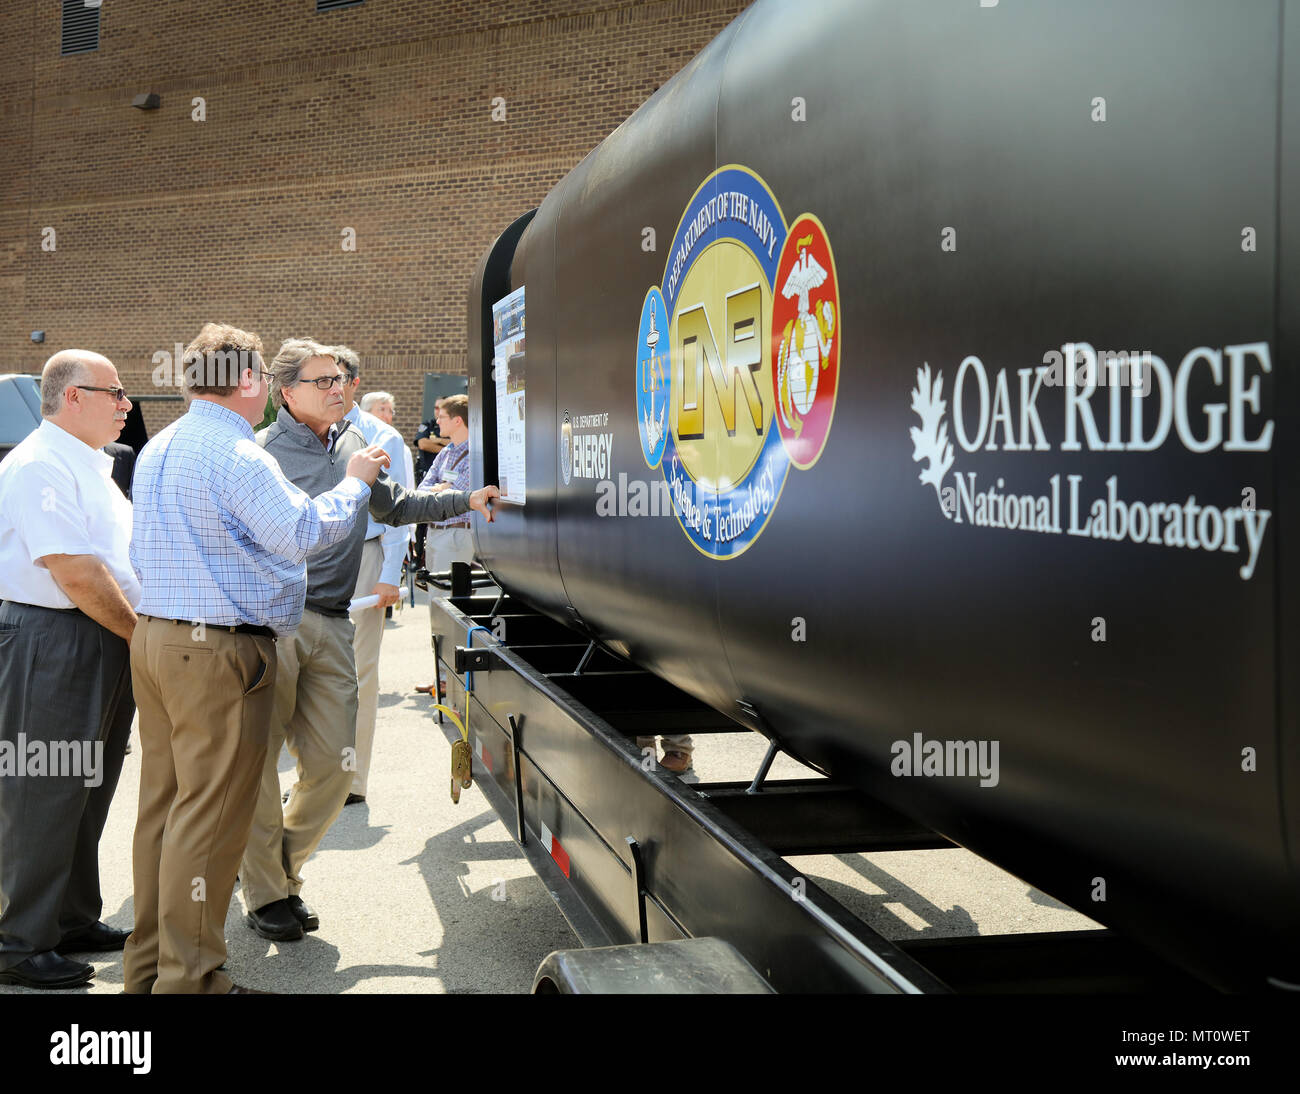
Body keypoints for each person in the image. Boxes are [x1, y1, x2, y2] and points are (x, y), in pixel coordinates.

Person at [124, 323, 387, 995]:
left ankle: (152, 972)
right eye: (267, 377)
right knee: (208, 824)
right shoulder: (238, 454)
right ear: (250, 382)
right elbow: (302, 532)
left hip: (158, 640)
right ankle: (192, 981)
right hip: (216, 649)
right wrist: (355, 483)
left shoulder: (162, 445)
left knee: (165, 811)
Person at [240, 341, 497, 942]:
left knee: (334, 767)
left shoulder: (356, 444)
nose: (339, 388)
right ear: (286, 394)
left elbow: (397, 504)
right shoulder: (258, 454)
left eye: (342, 379)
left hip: (334, 619)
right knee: (257, 767)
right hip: (273, 623)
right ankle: (268, 893)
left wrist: (468, 497)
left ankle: (277, 870)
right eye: (322, 381)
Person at [0, 351, 139, 990]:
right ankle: (18, 939)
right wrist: (141, 639)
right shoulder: (39, 464)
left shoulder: (88, 463)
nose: (125, 404)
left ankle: (71, 917)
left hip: (95, 635)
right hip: (57, 636)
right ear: (72, 396)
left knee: (89, 785)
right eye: (114, 392)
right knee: (45, 788)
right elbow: (76, 572)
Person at [414, 395, 476, 696]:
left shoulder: (476, 452)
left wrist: (441, 490)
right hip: (437, 535)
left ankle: (458, 682)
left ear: (457, 420)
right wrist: (442, 489)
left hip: (457, 535)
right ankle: (442, 678)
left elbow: (460, 494)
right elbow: (422, 490)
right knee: (437, 608)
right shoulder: (446, 453)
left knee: (455, 608)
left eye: (442, 416)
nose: (436, 421)